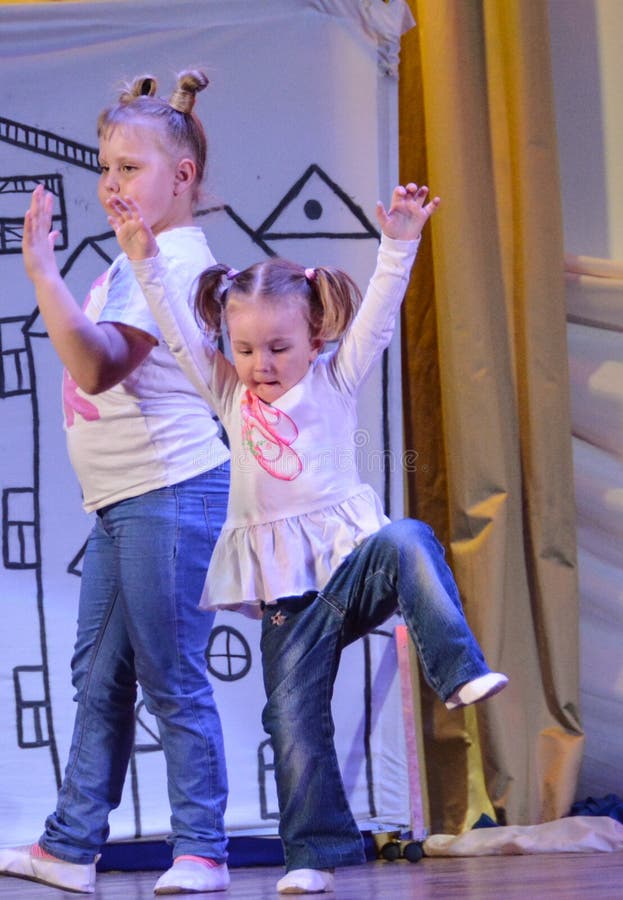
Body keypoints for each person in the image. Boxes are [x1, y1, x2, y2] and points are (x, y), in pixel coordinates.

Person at [107, 181, 508, 895]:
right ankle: (311, 854)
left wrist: (400, 241)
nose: (261, 363)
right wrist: (143, 260)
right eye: (245, 348)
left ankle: (455, 670)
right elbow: (174, 331)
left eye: (278, 347)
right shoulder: (228, 392)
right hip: (289, 599)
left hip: (352, 563)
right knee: (291, 720)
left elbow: (380, 318)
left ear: (315, 334)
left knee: (409, 536)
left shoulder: (335, 378)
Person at [0, 71, 231, 895]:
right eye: (107, 167)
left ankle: (202, 848)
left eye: (130, 168)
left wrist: (41, 273)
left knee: (172, 677)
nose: (110, 183)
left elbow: (97, 368)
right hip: (123, 504)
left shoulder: (168, 257)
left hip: (170, 496)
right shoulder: (137, 258)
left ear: (183, 175)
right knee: (98, 676)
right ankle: (69, 845)